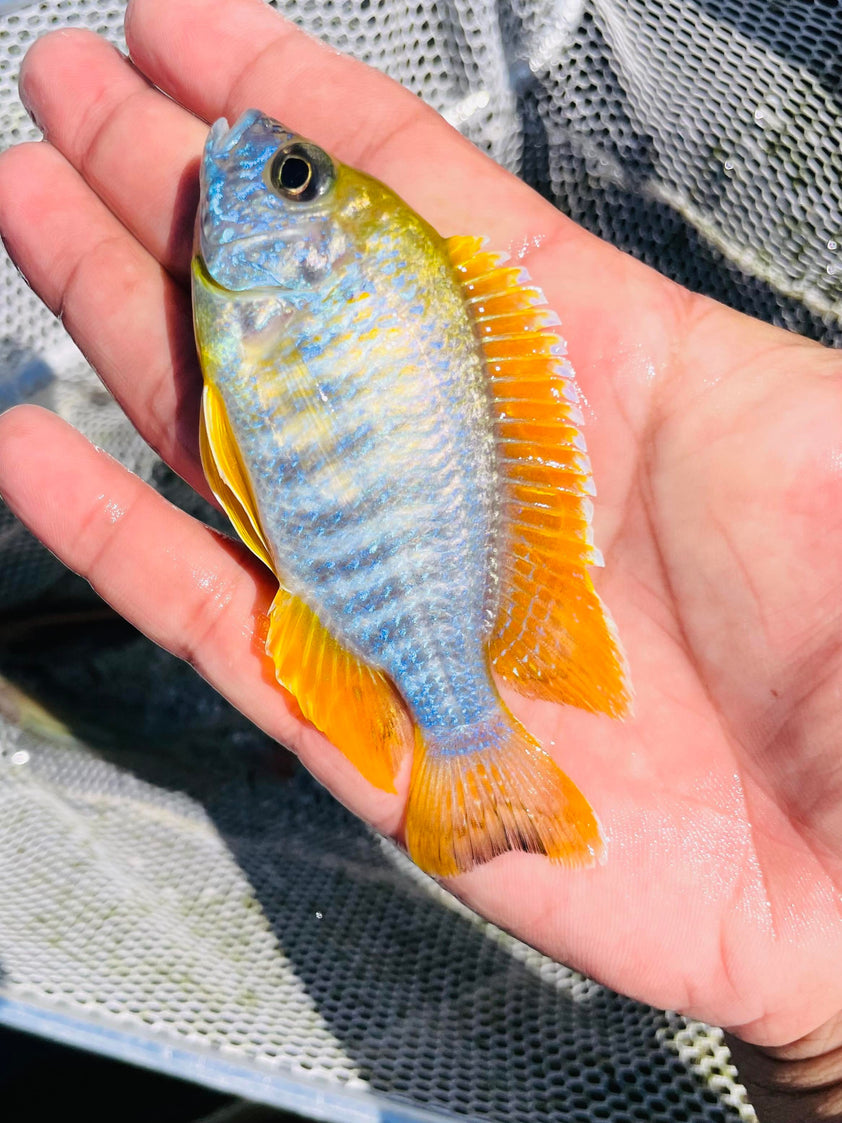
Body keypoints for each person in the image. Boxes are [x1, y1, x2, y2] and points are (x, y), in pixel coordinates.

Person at [0, 0, 840, 1116]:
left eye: (292, 179)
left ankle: (467, 737)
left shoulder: (285, 290)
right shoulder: (287, 286)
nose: (255, 160)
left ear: (320, 244)